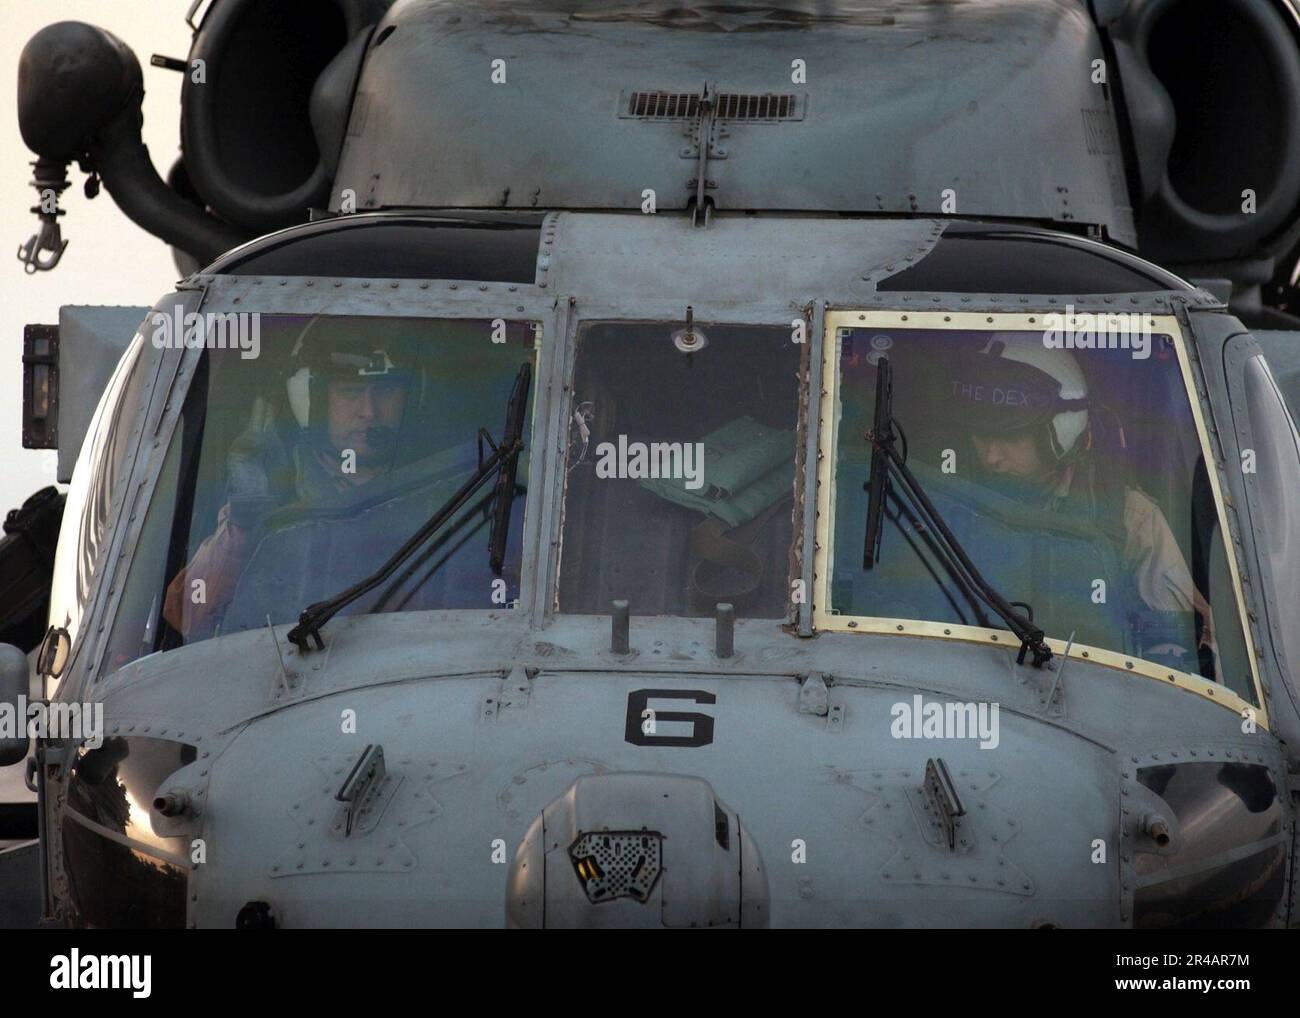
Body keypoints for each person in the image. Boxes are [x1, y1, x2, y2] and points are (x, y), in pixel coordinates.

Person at [945, 332, 1216, 660]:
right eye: (981, 435)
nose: (991, 457)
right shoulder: (943, 496)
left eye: (1010, 438)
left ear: (1061, 430)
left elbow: (1176, 653)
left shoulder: (1129, 520)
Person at [162, 323, 414, 637]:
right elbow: (187, 614)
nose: (369, 411)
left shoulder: (443, 489)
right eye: (350, 391)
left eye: (386, 391)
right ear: (313, 398)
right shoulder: (277, 490)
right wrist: (245, 520)